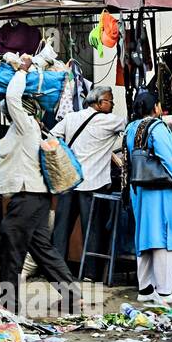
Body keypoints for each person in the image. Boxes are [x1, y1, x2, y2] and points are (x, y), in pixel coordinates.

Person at [0, 57, 85, 315]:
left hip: (28, 197)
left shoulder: (25, 124)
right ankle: (72, 296)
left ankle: (8, 305)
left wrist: (22, 70)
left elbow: (11, 97)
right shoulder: (29, 127)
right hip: (36, 198)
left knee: (11, 244)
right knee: (41, 248)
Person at [50, 86, 126, 266]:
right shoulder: (110, 121)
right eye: (110, 100)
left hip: (69, 181)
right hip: (92, 183)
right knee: (91, 229)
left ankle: (56, 268)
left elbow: (52, 137)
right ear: (99, 103)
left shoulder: (70, 118)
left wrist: (66, 157)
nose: (113, 104)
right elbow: (132, 125)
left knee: (62, 228)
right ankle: (90, 273)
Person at [124, 90, 172, 305]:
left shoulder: (131, 128)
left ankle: (145, 288)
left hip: (139, 190)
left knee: (145, 237)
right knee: (165, 236)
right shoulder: (157, 128)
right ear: (156, 107)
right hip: (160, 189)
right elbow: (170, 159)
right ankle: (165, 290)